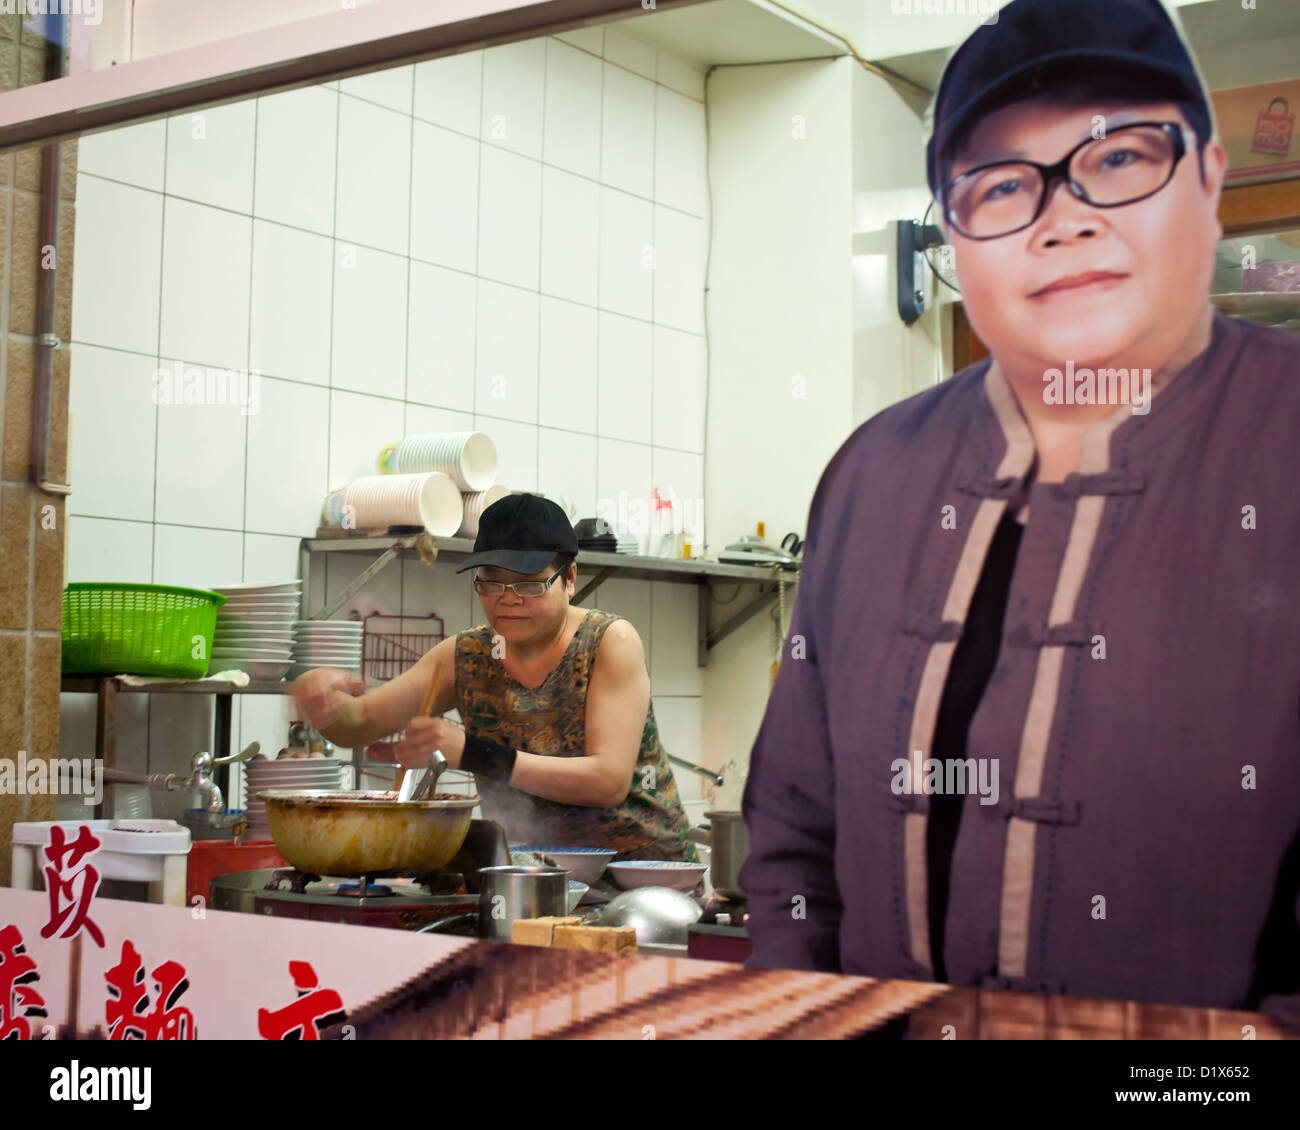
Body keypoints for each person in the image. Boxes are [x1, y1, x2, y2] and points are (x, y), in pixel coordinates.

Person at [740, 0, 1300, 1016]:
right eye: (1001, 185)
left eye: (1121, 158)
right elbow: (793, 832)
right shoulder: (875, 471)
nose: (1062, 217)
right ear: (955, 239)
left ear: (1210, 179)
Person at [293, 493, 696, 862]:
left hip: (642, 876)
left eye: (529, 584)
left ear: (569, 578)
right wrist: (324, 705)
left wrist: (472, 753)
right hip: (530, 875)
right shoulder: (465, 656)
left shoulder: (609, 642)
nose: (508, 598)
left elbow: (608, 782)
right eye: (491, 582)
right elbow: (359, 724)